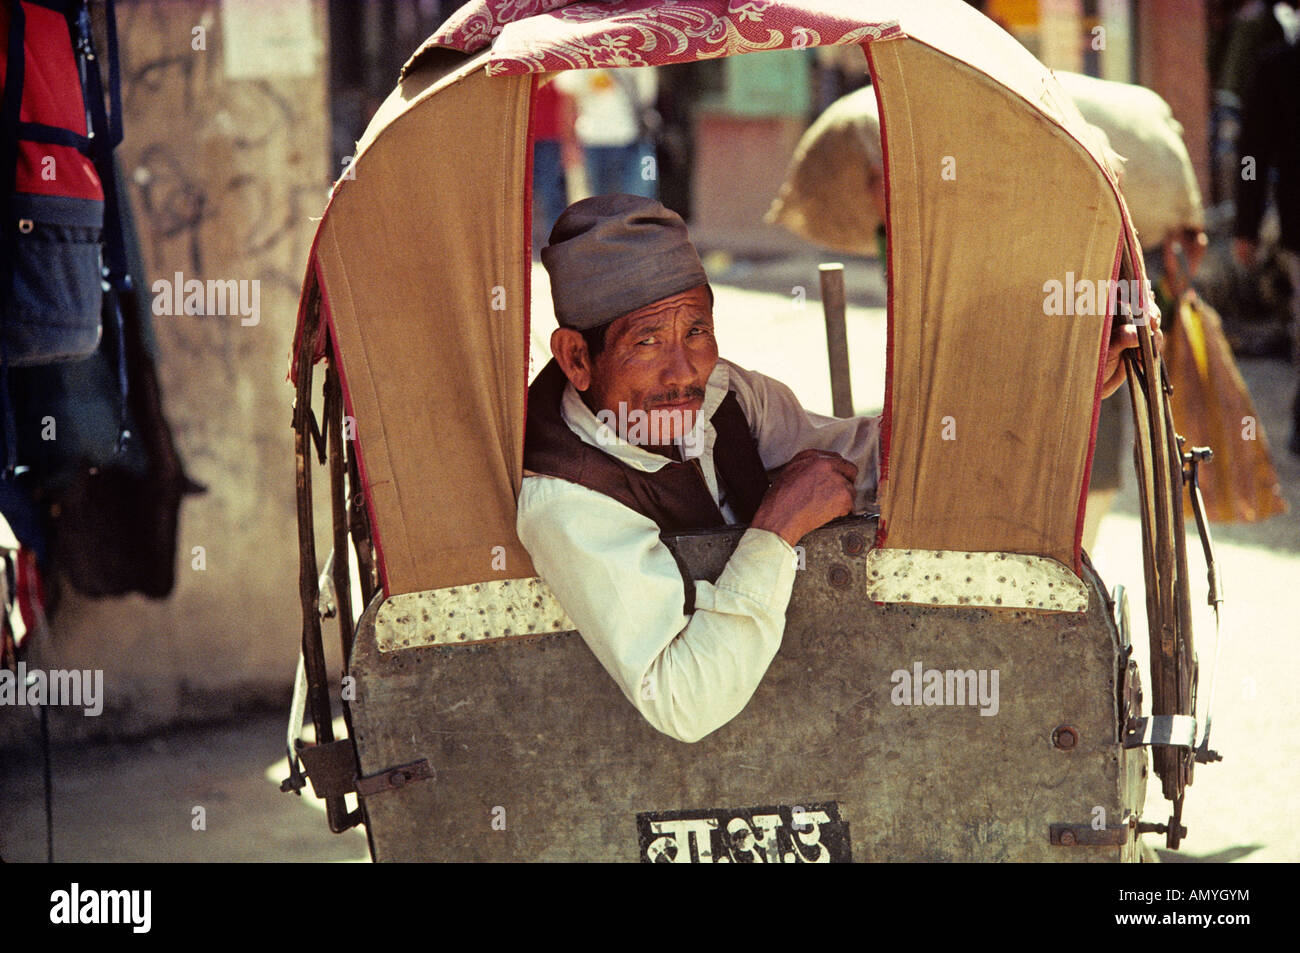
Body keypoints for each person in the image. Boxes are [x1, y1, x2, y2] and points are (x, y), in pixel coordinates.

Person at [517, 194, 1152, 744]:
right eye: (647, 341)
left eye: (698, 330)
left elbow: (877, 461)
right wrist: (773, 533)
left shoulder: (724, 397)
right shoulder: (567, 496)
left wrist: (1054, 389)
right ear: (577, 358)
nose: (683, 371)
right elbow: (685, 701)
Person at [1234, 12, 1300, 455]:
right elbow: (1253, 151)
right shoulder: (1279, 66)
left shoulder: (1278, 66)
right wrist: (1247, 226)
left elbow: (1252, 150)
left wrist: (1248, 227)